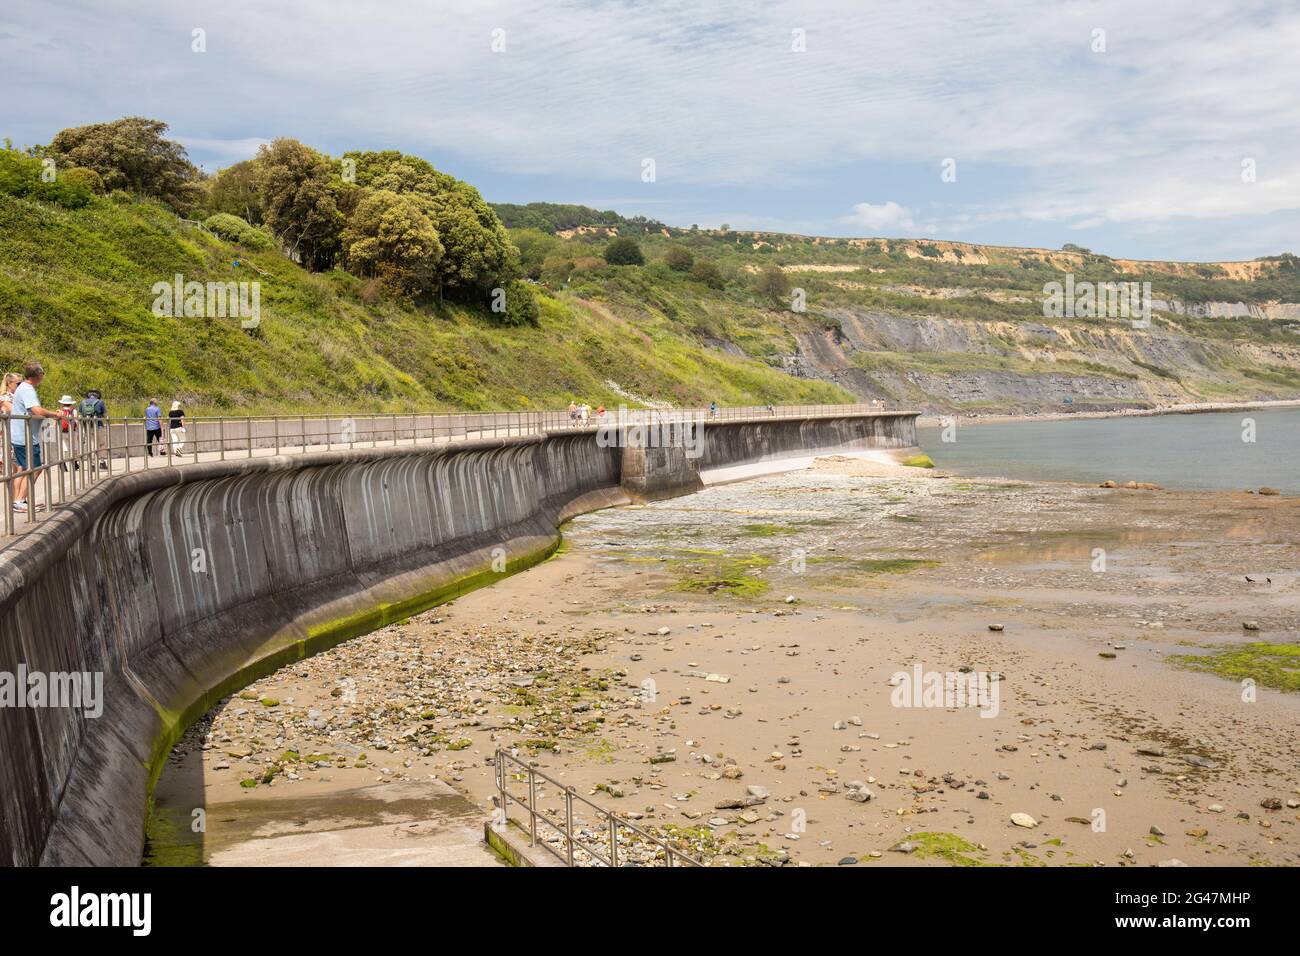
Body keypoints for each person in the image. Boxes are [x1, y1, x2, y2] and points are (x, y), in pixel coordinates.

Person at [8, 363, 59, 512]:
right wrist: (54, 414)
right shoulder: (27, 390)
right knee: (36, 468)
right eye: (42, 373)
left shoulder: (22, 388)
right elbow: (36, 410)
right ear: (38, 375)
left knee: (25, 468)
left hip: (22, 436)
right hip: (25, 437)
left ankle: (21, 501)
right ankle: (19, 501)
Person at [79, 388, 108, 468]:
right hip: (98, 425)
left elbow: (80, 414)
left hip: (87, 426)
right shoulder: (100, 402)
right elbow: (105, 415)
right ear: (97, 395)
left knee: (91, 444)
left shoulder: (83, 402)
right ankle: (102, 462)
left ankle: (92, 464)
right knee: (101, 444)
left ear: (88, 395)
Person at [56, 395, 78, 470]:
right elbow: (76, 421)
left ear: (62, 403)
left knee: (64, 447)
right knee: (73, 447)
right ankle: (74, 463)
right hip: (71, 431)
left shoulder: (59, 410)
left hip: (62, 431)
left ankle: (63, 464)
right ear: (71, 403)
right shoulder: (73, 410)